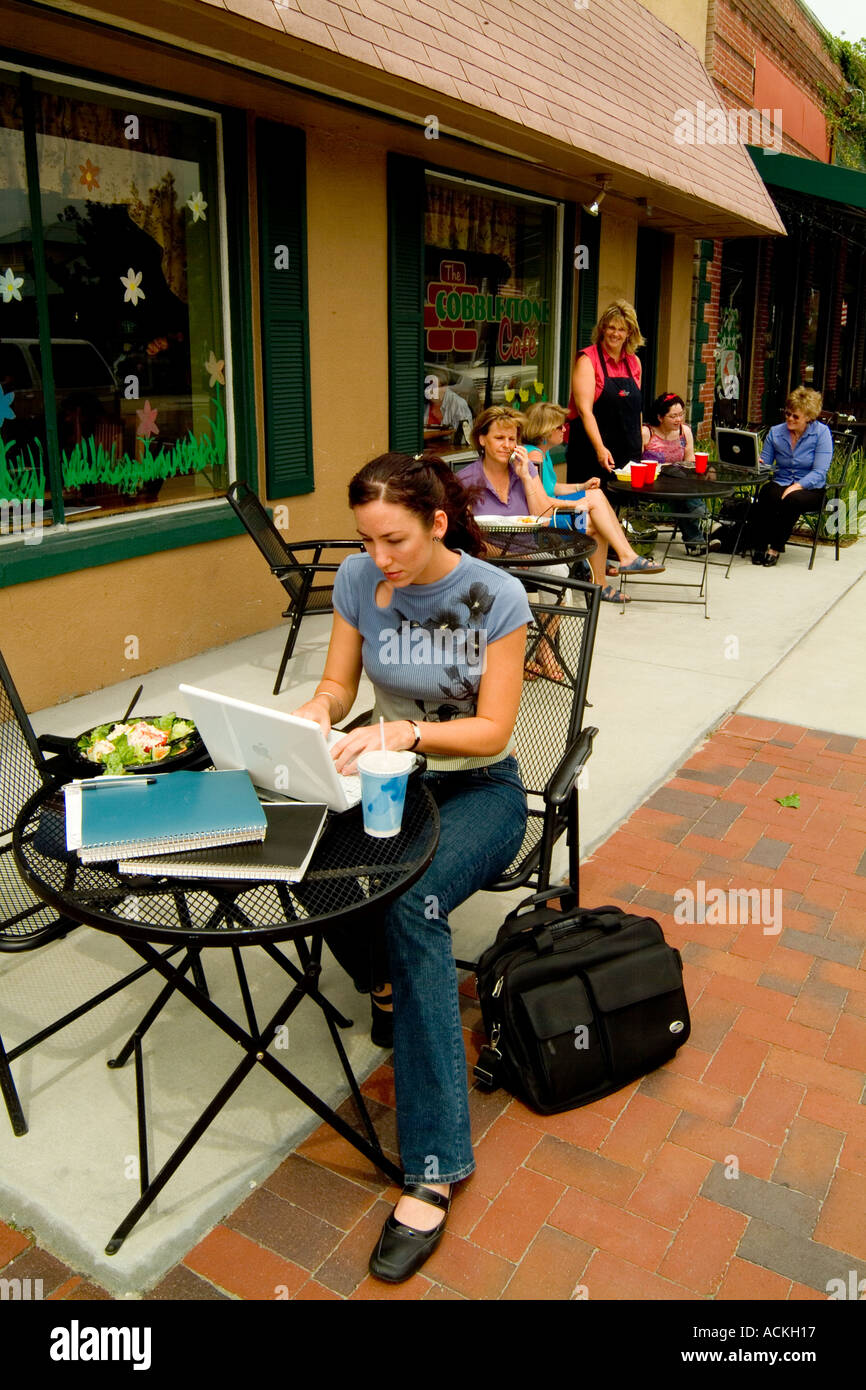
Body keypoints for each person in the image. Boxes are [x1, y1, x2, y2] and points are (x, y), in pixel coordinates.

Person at [291, 451, 532, 1283]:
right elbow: (336, 678)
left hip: (482, 793)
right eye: (364, 539)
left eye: (392, 539)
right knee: (306, 862)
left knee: (412, 904)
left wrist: (408, 733)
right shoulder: (360, 581)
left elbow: (495, 729)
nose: (377, 558)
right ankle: (387, 986)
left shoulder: (494, 597)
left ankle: (435, 1163)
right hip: (391, 780)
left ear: (436, 522)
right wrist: (316, 713)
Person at [460, 405, 664, 603]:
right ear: (482, 439)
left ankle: (546, 637)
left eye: (511, 439)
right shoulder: (465, 480)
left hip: (529, 553)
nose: (506, 445)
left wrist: (526, 478)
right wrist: (511, 556)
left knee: (559, 573)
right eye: (499, 438)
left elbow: (544, 517)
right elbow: (465, 538)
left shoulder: (525, 469)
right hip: (488, 559)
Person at [748, 386, 833, 567]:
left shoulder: (821, 433)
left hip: (812, 488)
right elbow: (768, 463)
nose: (789, 419)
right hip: (782, 480)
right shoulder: (776, 432)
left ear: (808, 417)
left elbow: (820, 472)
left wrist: (797, 486)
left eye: (795, 416)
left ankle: (775, 548)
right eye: (787, 414)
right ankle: (760, 546)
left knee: (792, 499)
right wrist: (758, 462)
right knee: (767, 493)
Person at [566, 299, 644, 492]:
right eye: (611, 328)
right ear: (602, 329)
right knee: (590, 511)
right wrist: (600, 449)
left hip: (627, 453)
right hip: (591, 451)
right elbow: (585, 412)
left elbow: (636, 409)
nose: (615, 334)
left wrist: (640, 445)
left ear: (629, 334)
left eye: (622, 329)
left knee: (623, 512)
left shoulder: (634, 362)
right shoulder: (587, 360)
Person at [641, 392, 720, 556]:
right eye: (673, 416)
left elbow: (689, 460)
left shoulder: (685, 431)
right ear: (660, 417)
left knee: (681, 494)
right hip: (653, 482)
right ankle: (705, 519)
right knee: (678, 485)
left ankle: (695, 544)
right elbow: (636, 462)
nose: (678, 419)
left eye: (681, 414)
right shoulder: (647, 432)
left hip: (679, 483)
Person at [423, 371, 473, 446]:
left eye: (435, 387)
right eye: (428, 387)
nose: (430, 391)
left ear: (445, 387)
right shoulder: (423, 403)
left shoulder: (458, 404)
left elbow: (465, 440)